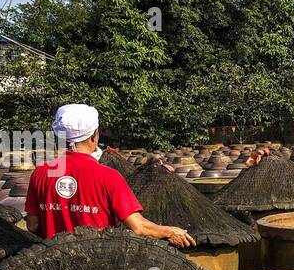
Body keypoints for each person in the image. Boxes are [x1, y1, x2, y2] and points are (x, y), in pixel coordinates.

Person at [25, 104, 196, 247]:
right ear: (93, 136)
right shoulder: (108, 177)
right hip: (98, 265)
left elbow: (33, 225)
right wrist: (169, 231)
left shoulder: (40, 172)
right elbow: (139, 227)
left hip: (52, 262)